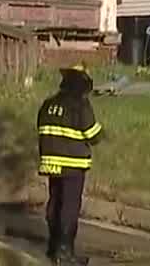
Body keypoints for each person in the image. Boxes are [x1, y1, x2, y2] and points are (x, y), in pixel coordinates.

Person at [38, 64, 103, 265]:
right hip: (72, 165)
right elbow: (93, 135)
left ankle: (53, 246)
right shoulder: (80, 105)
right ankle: (65, 252)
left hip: (50, 163)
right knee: (69, 207)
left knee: (54, 202)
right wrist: (102, 133)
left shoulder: (48, 104)